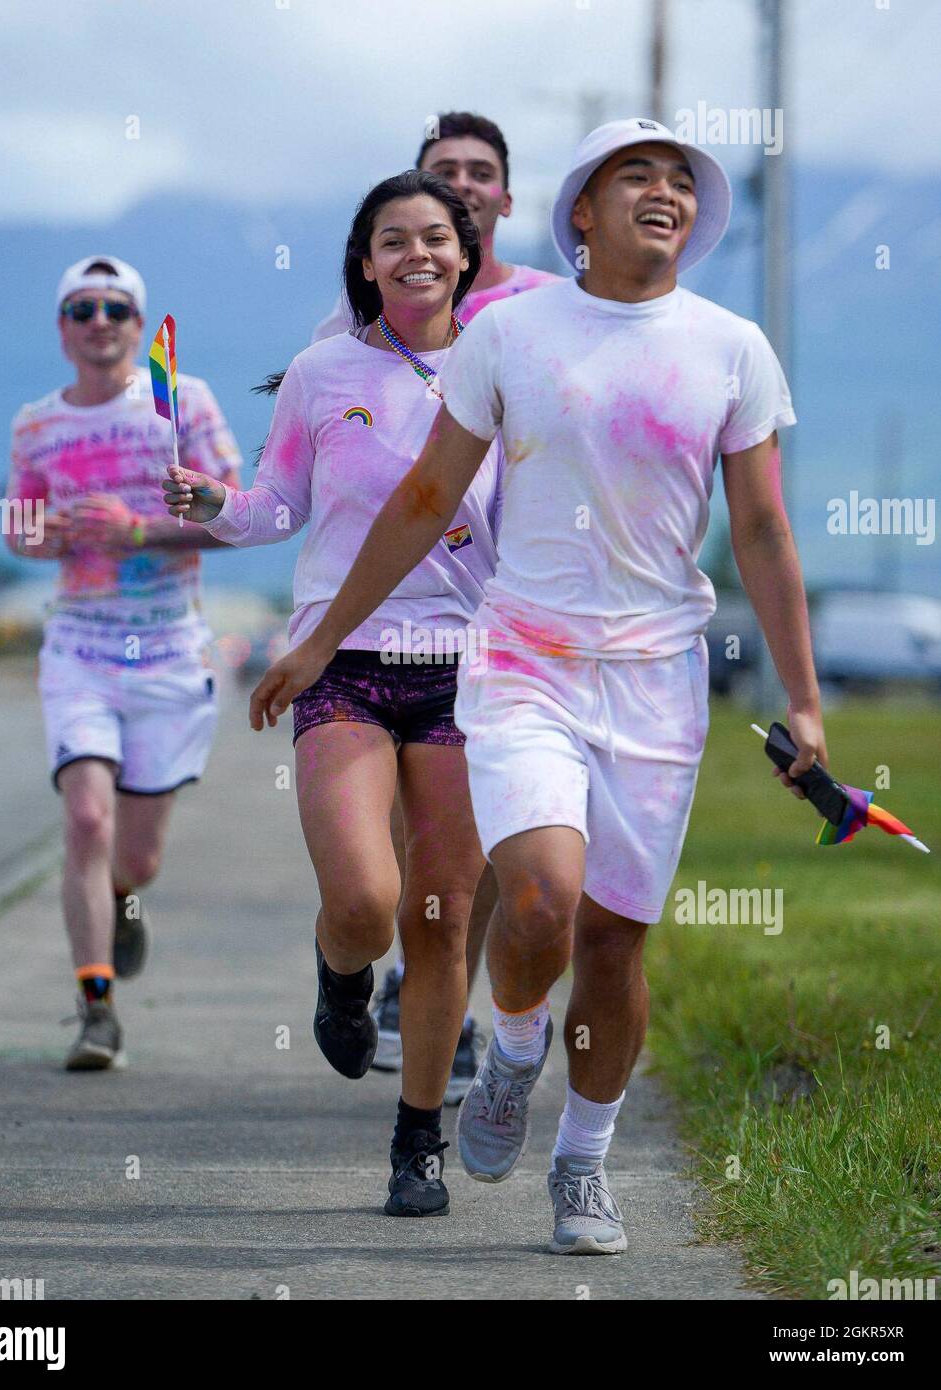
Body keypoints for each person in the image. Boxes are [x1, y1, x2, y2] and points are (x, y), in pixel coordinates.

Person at [246, 118, 827, 1255]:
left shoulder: (731, 346)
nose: (662, 193)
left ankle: (583, 1166)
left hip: (656, 674)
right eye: (634, 177)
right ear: (578, 211)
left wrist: (801, 698)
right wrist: (321, 639)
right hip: (519, 658)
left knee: (612, 943)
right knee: (541, 901)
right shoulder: (508, 335)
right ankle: (514, 1044)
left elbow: (759, 528)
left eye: (678, 182)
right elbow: (422, 501)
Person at [164, 172, 502, 1218]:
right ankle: (339, 967)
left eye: (436, 237)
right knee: (365, 900)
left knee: (440, 920)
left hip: (465, 670)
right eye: (392, 238)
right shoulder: (321, 371)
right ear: (363, 263)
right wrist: (214, 505)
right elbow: (277, 506)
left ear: (465, 255)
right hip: (341, 662)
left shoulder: (506, 372)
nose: (417, 253)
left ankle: (417, 1143)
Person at [314, 112, 560, 1100]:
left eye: (478, 174)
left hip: (513, 621)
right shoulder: (354, 331)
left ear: (496, 202)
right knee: (403, 869)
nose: (458, 185)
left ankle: (438, 1001)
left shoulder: (546, 307)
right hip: (386, 633)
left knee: (475, 854)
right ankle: (398, 974)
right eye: (439, 173)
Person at [6, 255, 242, 1071]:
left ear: (139, 327)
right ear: (63, 328)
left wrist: (140, 528)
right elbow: (20, 532)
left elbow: (234, 516)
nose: (98, 320)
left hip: (171, 654)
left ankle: (123, 898)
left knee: (134, 857)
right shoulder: (36, 424)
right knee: (86, 820)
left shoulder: (184, 403)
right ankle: (95, 1007)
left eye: (115, 308)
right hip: (80, 648)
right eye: (81, 308)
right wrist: (58, 531)